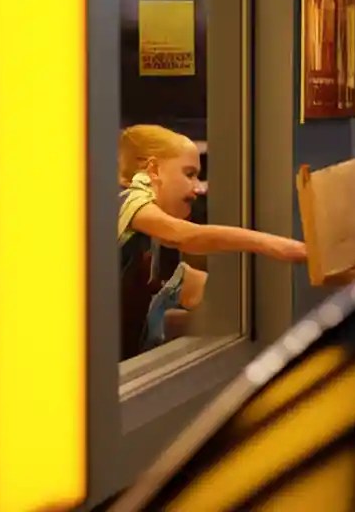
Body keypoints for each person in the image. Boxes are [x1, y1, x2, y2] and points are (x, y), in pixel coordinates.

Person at [117, 124, 306, 359]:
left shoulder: (143, 222)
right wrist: (279, 246)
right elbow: (186, 236)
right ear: (152, 169)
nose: (197, 188)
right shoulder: (127, 198)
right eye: (189, 174)